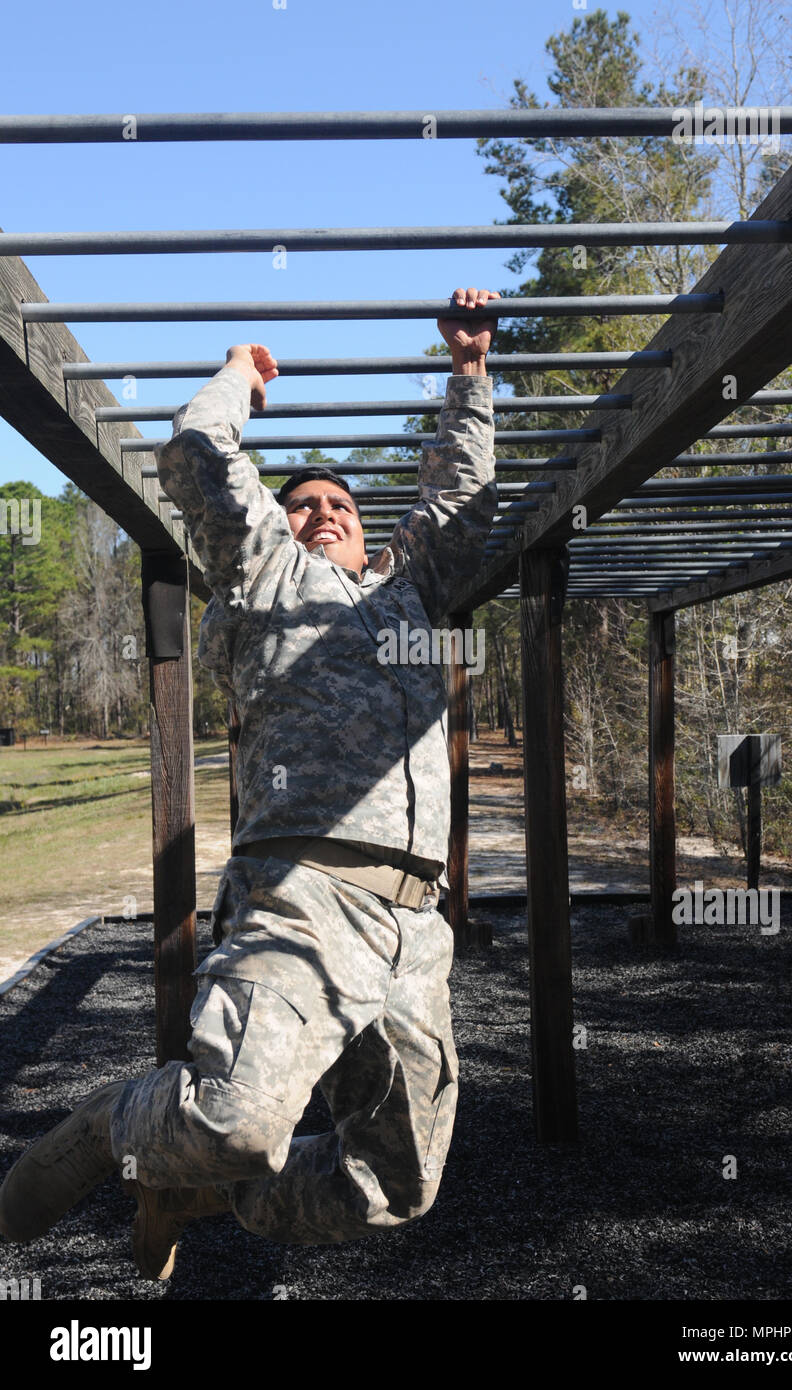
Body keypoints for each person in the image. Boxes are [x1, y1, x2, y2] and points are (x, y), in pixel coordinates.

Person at [0, 287, 500, 1280]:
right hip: (299, 894)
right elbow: (195, 453)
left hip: (416, 926)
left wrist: (470, 372)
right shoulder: (265, 577)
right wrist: (240, 373)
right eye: (303, 503)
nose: (322, 515)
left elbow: (461, 496)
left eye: (342, 508)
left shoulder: (411, 595)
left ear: (370, 537)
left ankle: (216, 1192)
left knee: (394, 1183)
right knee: (233, 1117)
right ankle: (116, 1125)